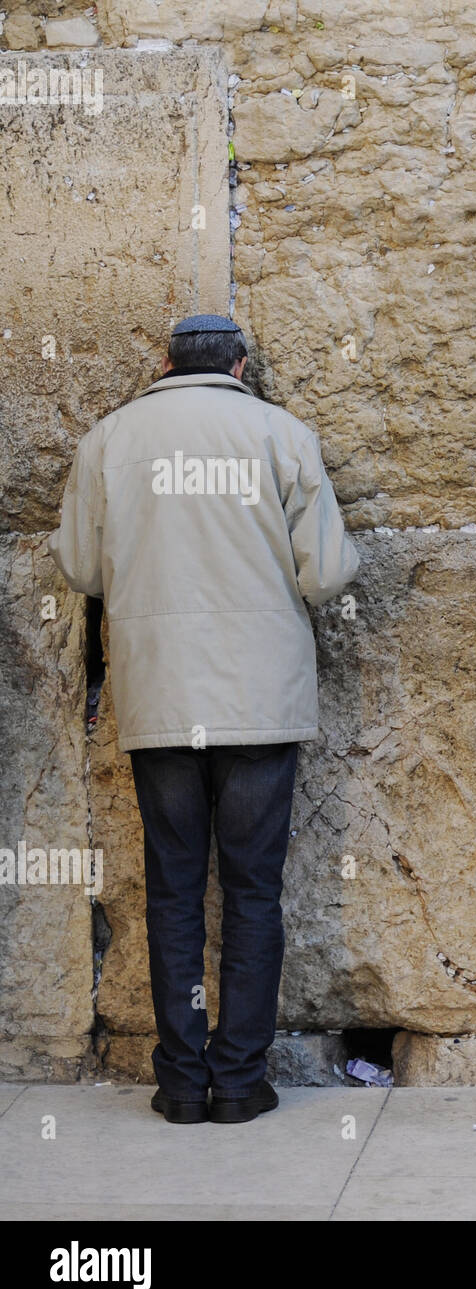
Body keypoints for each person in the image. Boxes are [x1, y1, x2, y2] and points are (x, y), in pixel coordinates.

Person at [47, 315, 358, 1124]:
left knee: (174, 889)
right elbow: (325, 573)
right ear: (242, 366)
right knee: (254, 892)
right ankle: (241, 1079)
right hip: (260, 700)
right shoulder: (281, 434)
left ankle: (182, 1081)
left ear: (163, 363)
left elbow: (79, 566)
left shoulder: (109, 440)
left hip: (162, 697)